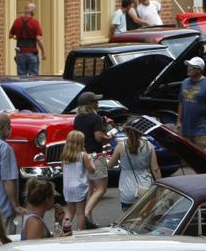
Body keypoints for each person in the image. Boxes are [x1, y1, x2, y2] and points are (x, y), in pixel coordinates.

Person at [73, 93, 111, 227]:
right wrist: (109, 137)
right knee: (101, 188)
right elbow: (98, 138)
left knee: (89, 188)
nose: (98, 103)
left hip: (82, 156)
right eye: (95, 101)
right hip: (95, 156)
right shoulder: (95, 118)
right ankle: (87, 213)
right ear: (89, 104)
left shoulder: (77, 119)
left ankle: (87, 221)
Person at [108, 123, 160, 211]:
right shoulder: (148, 145)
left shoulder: (121, 146)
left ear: (126, 131)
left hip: (127, 188)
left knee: (128, 220)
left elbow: (110, 165)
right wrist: (160, 186)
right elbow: (155, 169)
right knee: (145, 218)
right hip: (145, 187)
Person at [177, 57, 206, 151]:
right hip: (186, 129)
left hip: (202, 129)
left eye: (192, 67)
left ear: (199, 70)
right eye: (188, 66)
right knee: (190, 158)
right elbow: (181, 103)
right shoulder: (184, 83)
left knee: (204, 157)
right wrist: (178, 121)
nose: (188, 68)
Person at [60, 131, 95, 233]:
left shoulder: (64, 156)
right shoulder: (83, 155)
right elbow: (92, 170)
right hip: (79, 187)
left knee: (70, 210)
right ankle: (81, 231)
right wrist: (91, 160)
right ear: (80, 143)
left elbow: (63, 169)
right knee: (80, 212)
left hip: (67, 186)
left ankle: (64, 230)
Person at [10, 3, 45, 76]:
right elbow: (38, 38)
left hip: (20, 53)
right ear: (32, 12)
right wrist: (43, 52)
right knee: (33, 77)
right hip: (32, 53)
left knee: (21, 76)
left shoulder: (17, 21)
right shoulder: (35, 22)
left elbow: (10, 35)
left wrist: (16, 37)